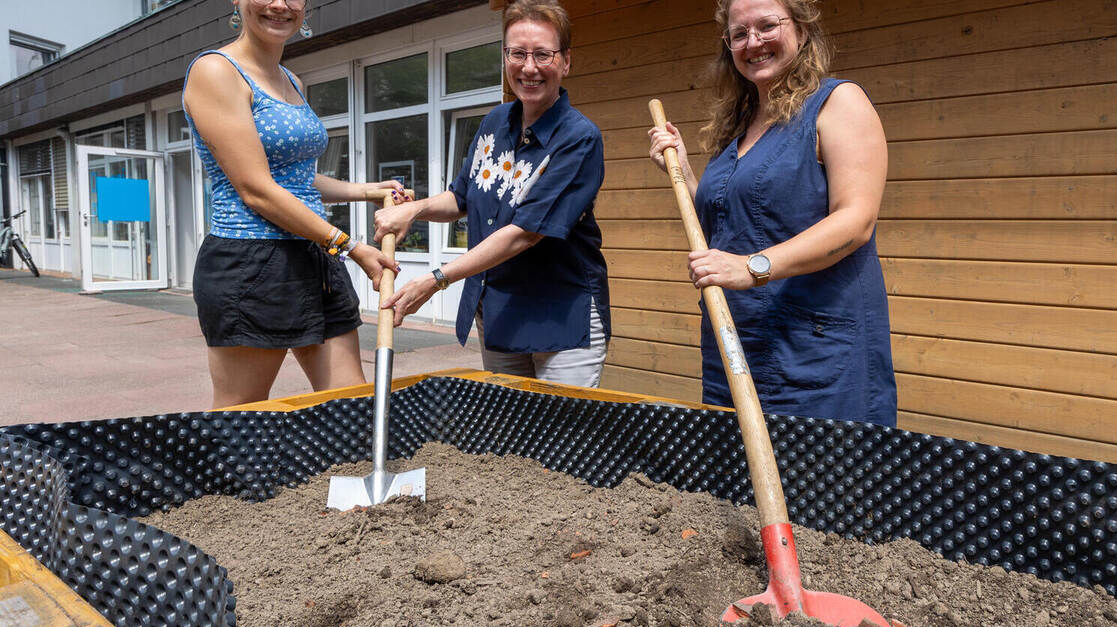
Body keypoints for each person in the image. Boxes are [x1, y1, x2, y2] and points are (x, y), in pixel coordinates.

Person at [647, 0, 896, 426]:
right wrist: (688, 174)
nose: (753, 42)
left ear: (800, 28)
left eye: (767, 26)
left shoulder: (838, 103)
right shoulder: (742, 125)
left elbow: (856, 221)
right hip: (735, 346)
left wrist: (753, 267)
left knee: (823, 487)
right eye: (739, 33)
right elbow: (730, 229)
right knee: (728, 490)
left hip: (815, 356)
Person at [373, 0, 610, 388]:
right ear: (505, 57)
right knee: (509, 440)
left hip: (560, 315)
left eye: (543, 54)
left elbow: (524, 232)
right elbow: (461, 198)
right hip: (499, 308)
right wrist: (412, 211)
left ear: (566, 61)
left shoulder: (578, 138)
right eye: (517, 53)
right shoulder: (494, 122)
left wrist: (435, 279)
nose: (528, 67)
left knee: (561, 443)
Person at [183, 0, 406, 408]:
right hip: (250, 263)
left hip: (313, 253)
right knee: (243, 420)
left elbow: (295, 178)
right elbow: (256, 188)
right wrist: (352, 247)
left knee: (350, 405)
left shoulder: (291, 80)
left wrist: (368, 189)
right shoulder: (214, 71)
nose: (280, 4)